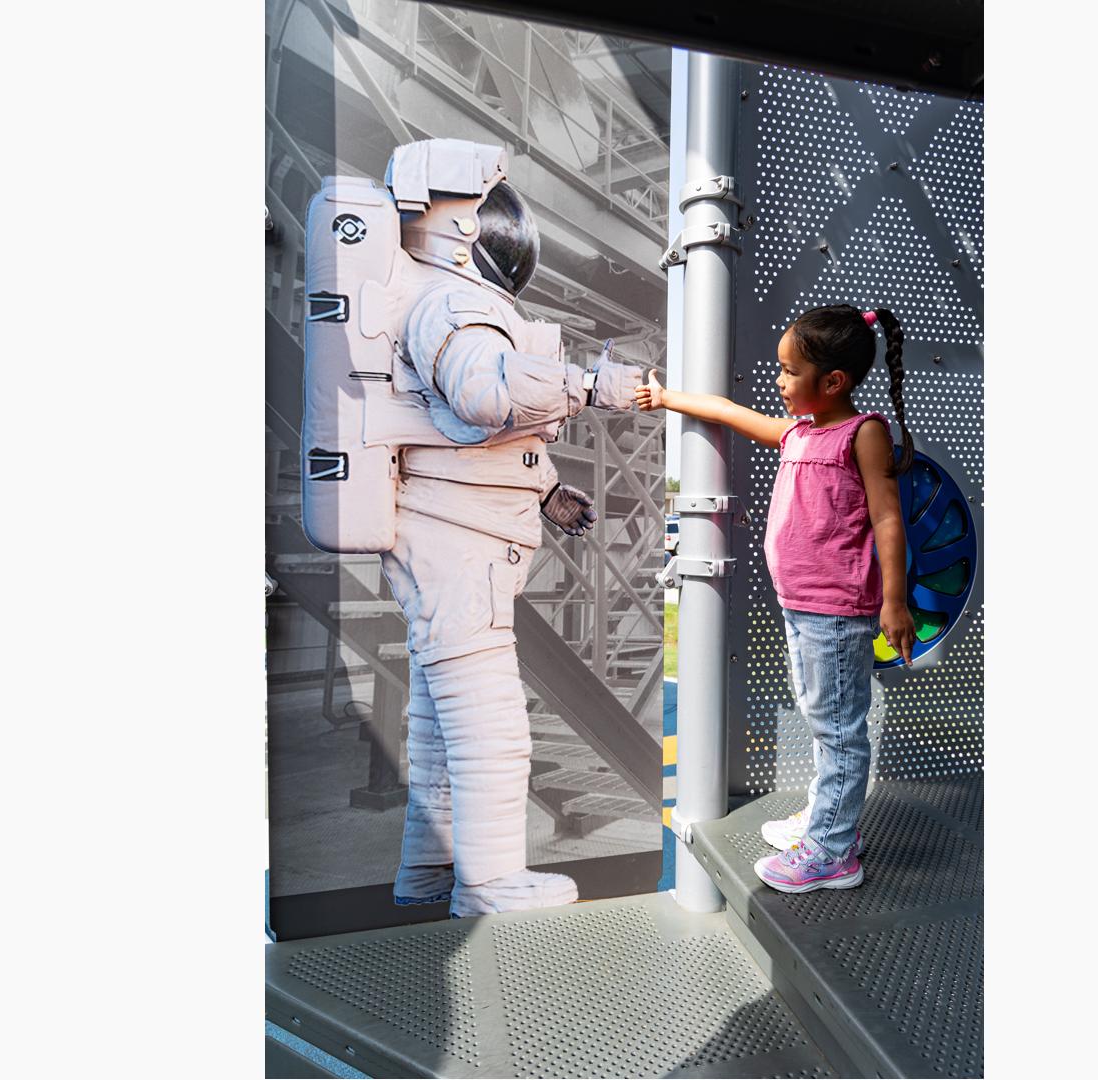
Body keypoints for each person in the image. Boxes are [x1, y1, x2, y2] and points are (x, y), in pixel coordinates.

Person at [367, 139, 643, 917]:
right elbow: (486, 398)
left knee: (440, 718)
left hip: (454, 535)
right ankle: (489, 882)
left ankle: (427, 870)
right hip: (455, 543)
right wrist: (590, 384)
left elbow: (468, 435)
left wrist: (547, 492)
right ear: (458, 229)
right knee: (488, 719)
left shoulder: (439, 302)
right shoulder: (453, 306)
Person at [634, 304, 916, 893]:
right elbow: (727, 411)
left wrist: (894, 601)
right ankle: (826, 820)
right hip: (802, 605)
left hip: (837, 610)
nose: (780, 382)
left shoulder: (861, 433)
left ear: (833, 381)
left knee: (838, 730)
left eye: (790, 371)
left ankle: (833, 851)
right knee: (823, 720)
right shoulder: (798, 432)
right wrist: (666, 399)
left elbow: (888, 519)